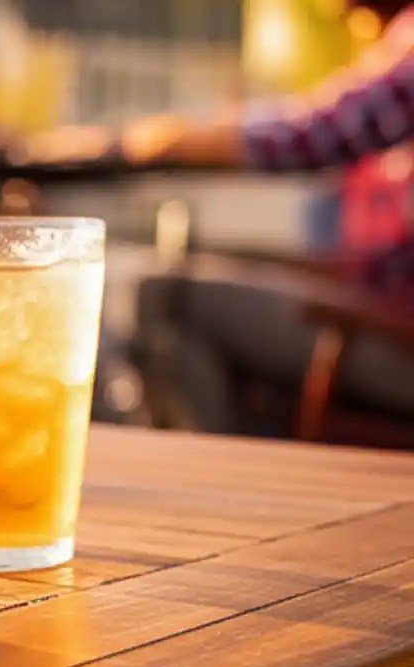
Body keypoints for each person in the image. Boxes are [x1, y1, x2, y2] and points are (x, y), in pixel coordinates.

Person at [31, 1, 414, 436]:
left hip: (395, 334)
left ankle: (207, 482)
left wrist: (127, 145)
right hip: (375, 304)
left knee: (158, 294)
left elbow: (308, 136)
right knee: (170, 274)